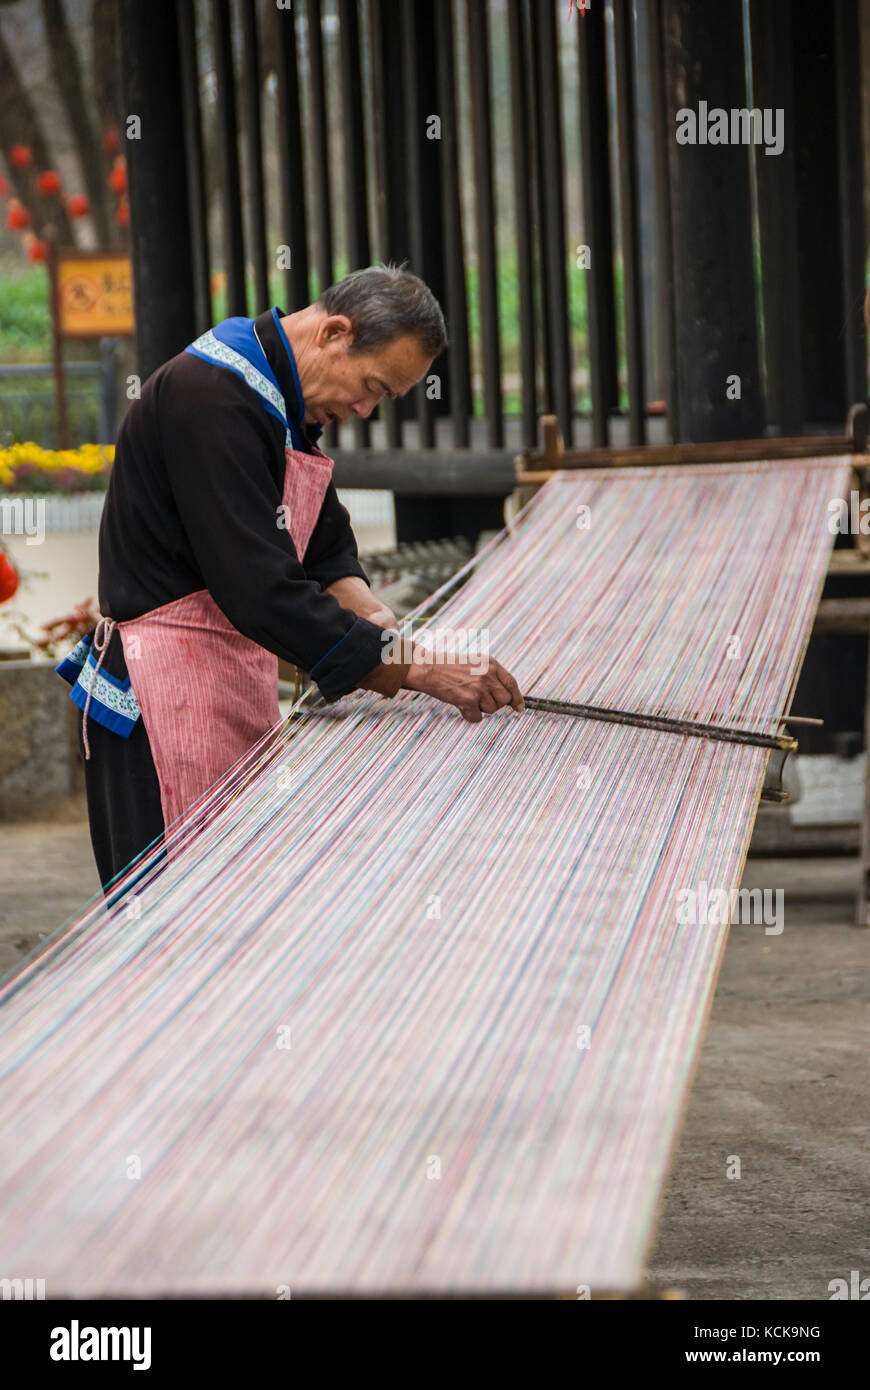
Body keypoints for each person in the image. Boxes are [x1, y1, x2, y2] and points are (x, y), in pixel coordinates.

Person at [57, 264, 524, 892]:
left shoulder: (278, 398)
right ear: (334, 332)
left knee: (233, 909)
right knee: (175, 927)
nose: (363, 409)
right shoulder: (213, 397)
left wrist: (366, 609)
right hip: (159, 703)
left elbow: (322, 543)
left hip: (218, 682)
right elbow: (259, 588)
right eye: (372, 387)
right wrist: (415, 667)